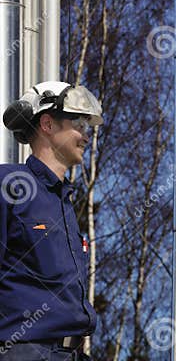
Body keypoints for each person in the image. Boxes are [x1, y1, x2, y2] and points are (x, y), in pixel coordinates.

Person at [0, 81, 104, 360]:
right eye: (78, 124)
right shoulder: (8, 185)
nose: (86, 136)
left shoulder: (64, 203)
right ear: (47, 124)